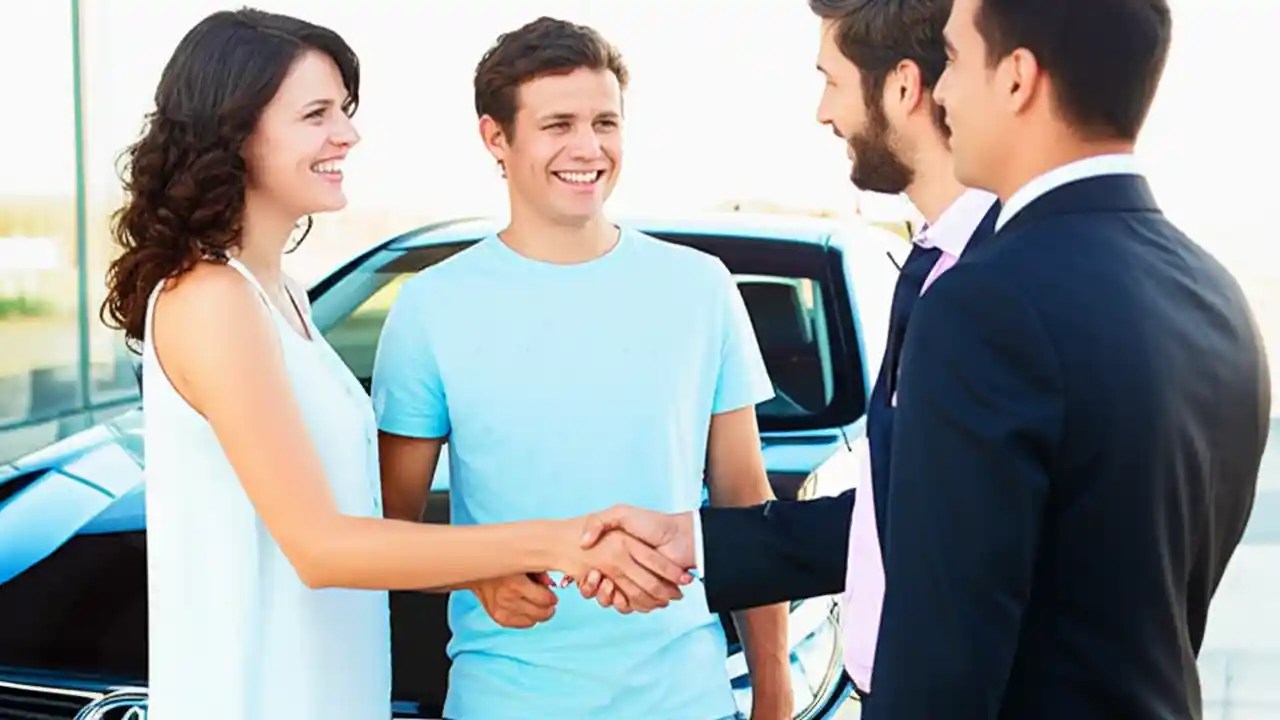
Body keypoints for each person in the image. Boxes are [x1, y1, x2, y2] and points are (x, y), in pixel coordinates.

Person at [99, 10, 687, 720]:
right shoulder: (211, 299)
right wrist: (564, 543)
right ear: (235, 130)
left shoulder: (279, 295)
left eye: (344, 111)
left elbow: (361, 526)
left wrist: (482, 571)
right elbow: (321, 547)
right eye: (316, 114)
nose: (347, 134)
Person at [370, 16, 790, 720]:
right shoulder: (430, 307)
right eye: (557, 124)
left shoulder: (699, 287)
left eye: (605, 123)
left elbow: (746, 504)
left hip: (688, 700)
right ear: (495, 138)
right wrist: (479, 575)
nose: (589, 148)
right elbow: (387, 531)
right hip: (506, 702)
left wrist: (772, 694)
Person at [580, 0, 999, 701]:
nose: (823, 113)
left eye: (831, 81)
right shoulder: (935, 261)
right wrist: (695, 542)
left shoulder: (1000, 278)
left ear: (902, 87)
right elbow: (910, 515)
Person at [859, 0, 1269, 715]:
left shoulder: (982, 305)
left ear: (1017, 78)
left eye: (952, 59)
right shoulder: (1217, 294)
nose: (942, 92)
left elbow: (939, 668)